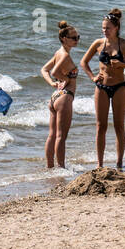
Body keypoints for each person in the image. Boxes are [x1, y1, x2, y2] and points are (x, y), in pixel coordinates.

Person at [79, 9, 125, 169]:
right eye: (103, 28)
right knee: (101, 126)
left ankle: (119, 163)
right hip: (101, 87)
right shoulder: (98, 44)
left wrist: (122, 65)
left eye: (108, 28)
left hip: (119, 87)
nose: (104, 31)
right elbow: (83, 62)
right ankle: (100, 164)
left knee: (119, 125)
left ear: (116, 28)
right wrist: (92, 77)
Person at [40, 21, 79, 168]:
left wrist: (52, 83)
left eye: (77, 37)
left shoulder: (58, 53)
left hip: (55, 96)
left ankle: (50, 167)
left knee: (52, 135)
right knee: (61, 137)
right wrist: (66, 79)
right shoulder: (64, 56)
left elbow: (44, 70)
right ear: (64, 39)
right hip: (65, 96)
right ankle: (61, 168)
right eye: (73, 37)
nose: (77, 40)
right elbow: (55, 71)